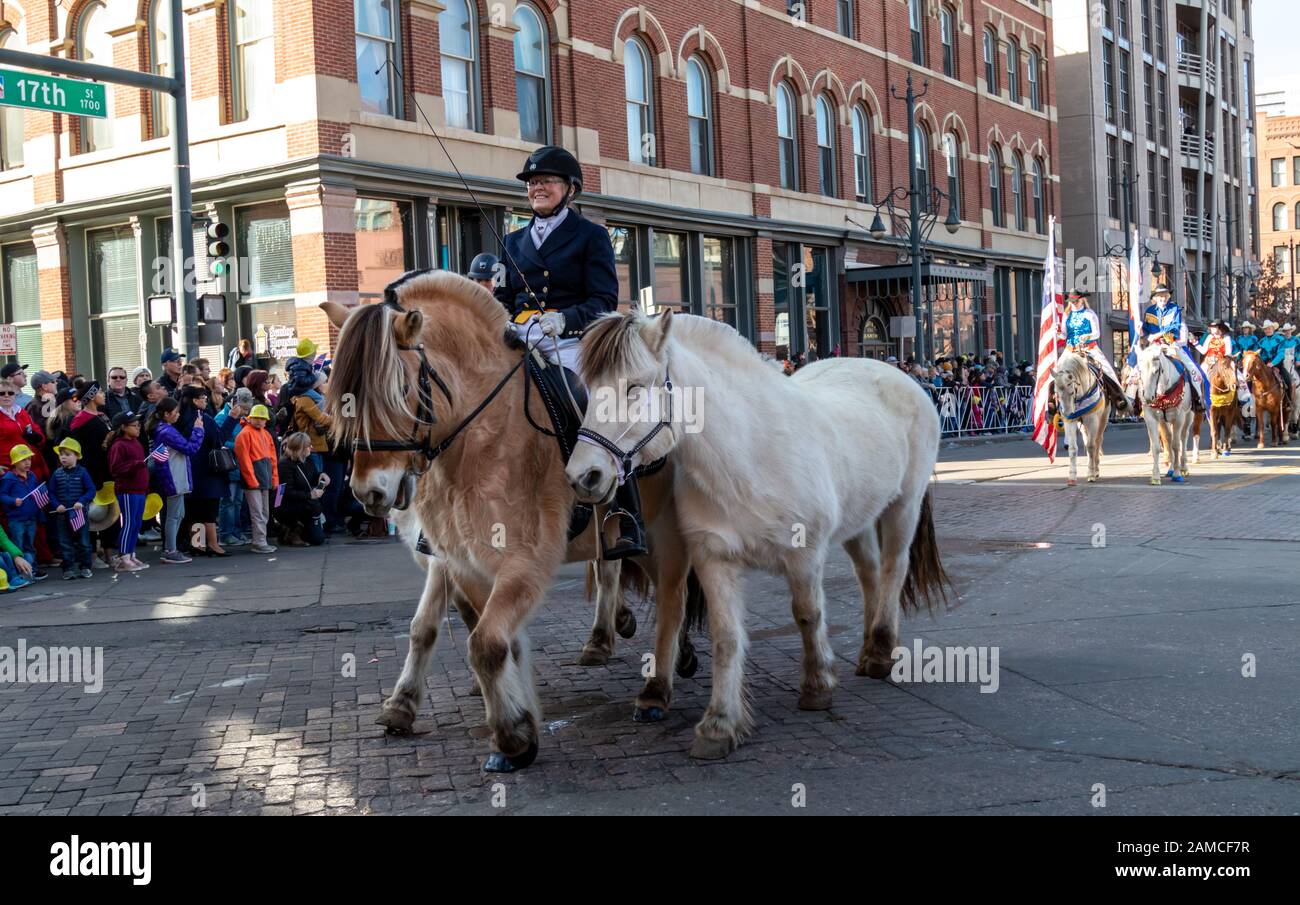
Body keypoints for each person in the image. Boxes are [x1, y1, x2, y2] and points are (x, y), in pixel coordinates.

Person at [495, 145, 642, 557]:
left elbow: (604, 300)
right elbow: (505, 298)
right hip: (522, 339)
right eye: (532, 183)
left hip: (571, 342)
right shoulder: (513, 240)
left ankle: (626, 517)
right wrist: (504, 320)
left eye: (546, 181)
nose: (537, 188)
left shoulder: (591, 236)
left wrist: (564, 320)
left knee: (592, 409)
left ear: (570, 189)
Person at [146, 397, 204, 565]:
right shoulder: (166, 431)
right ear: (166, 414)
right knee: (174, 515)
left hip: (173, 475)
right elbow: (190, 448)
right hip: (173, 476)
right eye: (175, 412)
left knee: (178, 514)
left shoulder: (162, 428)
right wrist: (198, 430)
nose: (178, 415)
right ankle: (170, 550)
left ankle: (170, 549)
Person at [1141, 284, 1208, 410]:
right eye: (1160, 296)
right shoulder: (1149, 311)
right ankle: (1135, 400)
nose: (1163, 298)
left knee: (1193, 369)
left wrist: (1158, 334)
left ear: (1168, 296)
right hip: (1154, 346)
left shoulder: (1175, 309)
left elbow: (1175, 326)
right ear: (1155, 298)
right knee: (1135, 370)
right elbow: (1146, 328)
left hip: (1171, 344)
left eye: (1165, 295)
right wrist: (1144, 333)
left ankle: (1198, 398)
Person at [1060, 291, 1128, 411]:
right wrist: (1058, 333)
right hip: (1070, 349)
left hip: (1088, 348)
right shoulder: (1066, 315)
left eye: (1077, 301)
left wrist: (1088, 336)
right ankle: (1051, 401)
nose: (1075, 303)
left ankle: (1118, 397)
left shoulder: (1089, 314)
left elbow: (1097, 333)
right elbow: (1064, 336)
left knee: (1107, 369)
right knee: (1057, 371)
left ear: (1082, 300)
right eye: (1072, 301)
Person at [105, 411, 149, 572]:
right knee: (129, 523)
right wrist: (136, 465)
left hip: (139, 489)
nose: (138, 427)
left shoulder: (136, 442)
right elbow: (115, 469)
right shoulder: (119, 445)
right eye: (134, 425)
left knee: (136, 523)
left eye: (139, 425)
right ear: (123, 427)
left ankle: (131, 553)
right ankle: (124, 556)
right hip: (127, 490)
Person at [47, 437, 95, 580]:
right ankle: (68, 568)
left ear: (76, 456)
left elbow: (91, 490)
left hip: (79, 513)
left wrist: (82, 501)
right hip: (62, 515)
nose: (63, 457)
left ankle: (86, 566)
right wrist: (57, 505)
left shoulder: (82, 472)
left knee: (84, 541)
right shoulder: (57, 474)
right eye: (61, 454)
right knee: (64, 542)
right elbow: (51, 493)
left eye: (67, 454)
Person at [235, 403, 278, 554]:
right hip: (253, 481)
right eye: (256, 418)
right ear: (250, 418)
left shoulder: (265, 434)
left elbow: (273, 459)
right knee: (258, 512)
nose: (259, 421)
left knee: (263, 512)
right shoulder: (245, 434)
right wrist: (252, 480)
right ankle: (259, 542)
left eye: (262, 419)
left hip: (263, 480)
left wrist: (274, 479)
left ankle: (259, 541)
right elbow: (244, 460)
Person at [0, 444, 47, 581]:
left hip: (31, 518)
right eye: (23, 460)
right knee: (18, 545)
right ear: (15, 462)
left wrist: (40, 514)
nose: (27, 463)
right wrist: (13, 500)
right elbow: (2, 495)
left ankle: (33, 569)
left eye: (29, 460)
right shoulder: (9, 478)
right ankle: (19, 572)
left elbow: (36, 496)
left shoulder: (32, 476)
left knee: (31, 546)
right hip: (16, 520)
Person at [275, 432, 327, 547]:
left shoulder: (307, 461)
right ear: (300, 449)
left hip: (304, 504)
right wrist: (310, 495)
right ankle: (290, 529)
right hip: (286, 505)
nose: (311, 448)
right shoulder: (284, 465)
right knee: (317, 539)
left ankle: (301, 529)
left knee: (318, 539)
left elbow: (312, 476)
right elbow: (283, 493)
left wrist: (321, 475)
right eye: (308, 446)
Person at [216, 389, 252, 547]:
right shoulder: (222, 417)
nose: (245, 412)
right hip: (229, 465)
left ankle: (236, 532)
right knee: (228, 501)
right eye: (243, 408)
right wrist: (239, 446)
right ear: (233, 404)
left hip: (240, 465)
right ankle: (225, 534)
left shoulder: (243, 420)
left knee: (238, 501)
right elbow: (219, 440)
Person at [290, 372, 332, 471]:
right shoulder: (306, 400)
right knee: (316, 479)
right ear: (317, 385)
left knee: (321, 477)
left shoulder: (319, 399)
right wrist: (339, 421)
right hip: (310, 445)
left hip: (316, 444)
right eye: (324, 382)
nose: (327, 384)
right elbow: (321, 418)